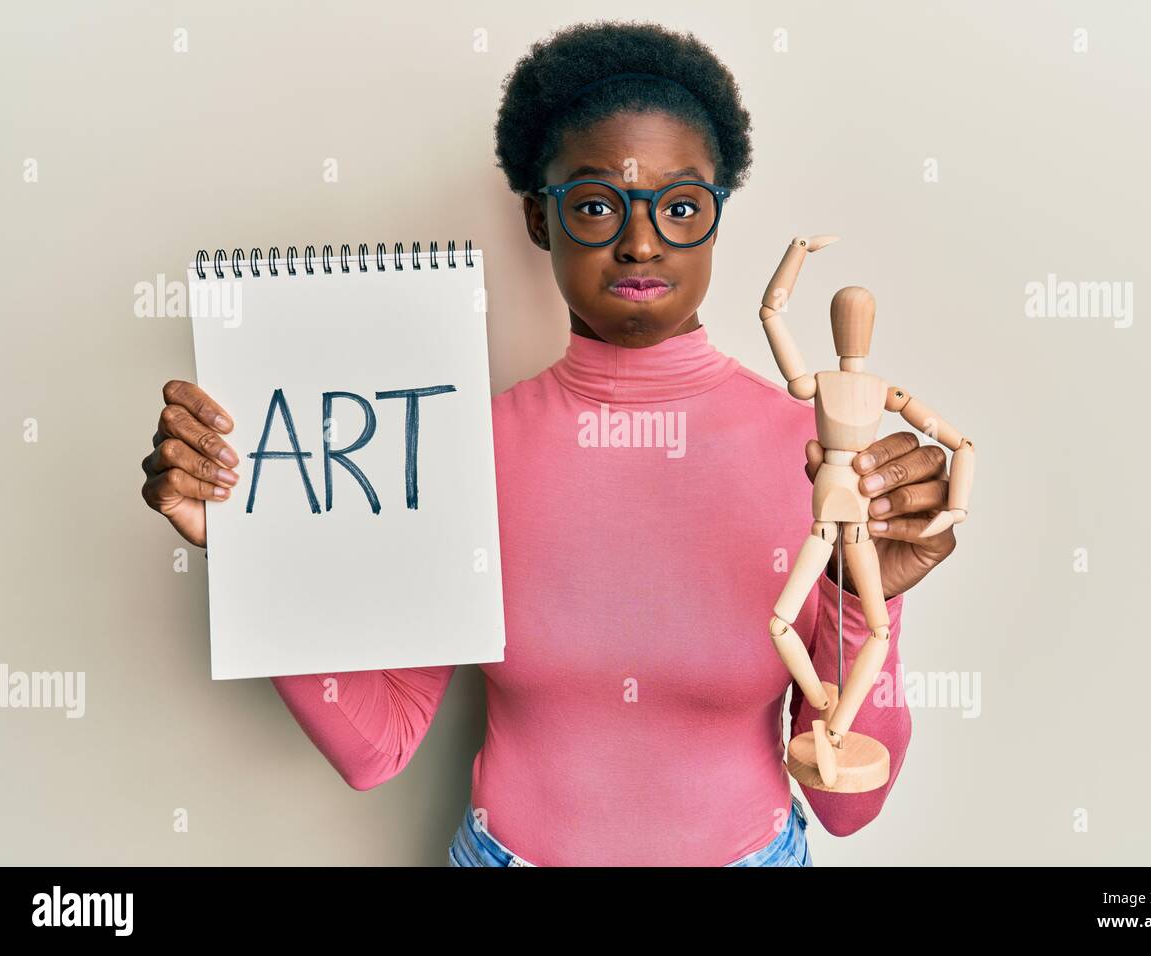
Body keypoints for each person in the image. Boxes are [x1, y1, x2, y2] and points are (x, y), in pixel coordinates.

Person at [140, 20, 958, 867]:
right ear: (540, 217)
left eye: (681, 207)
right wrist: (249, 548)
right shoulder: (457, 451)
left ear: (716, 218)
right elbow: (375, 745)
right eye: (598, 204)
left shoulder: (815, 453)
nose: (642, 242)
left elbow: (847, 810)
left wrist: (868, 604)